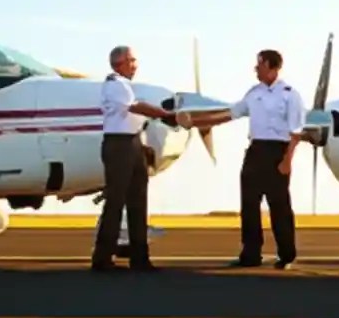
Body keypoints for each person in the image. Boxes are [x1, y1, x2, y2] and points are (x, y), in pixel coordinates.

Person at [182, 49, 305, 269]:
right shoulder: (253, 93)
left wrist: (288, 160)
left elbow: (296, 131)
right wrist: (196, 121)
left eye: (259, 64)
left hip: (278, 151)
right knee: (249, 204)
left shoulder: (290, 94)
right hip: (256, 151)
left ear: (271, 65)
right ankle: (250, 253)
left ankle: (286, 254)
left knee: (279, 206)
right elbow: (230, 114)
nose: (256, 69)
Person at [93, 44, 175, 273]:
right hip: (118, 145)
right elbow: (135, 107)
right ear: (119, 63)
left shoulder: (124, 86)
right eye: (132, 60)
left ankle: (140, 257)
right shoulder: (115, 85)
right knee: (116, 201)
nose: (135, 65)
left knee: (138, 200)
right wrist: (166, 114)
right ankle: (102, 258)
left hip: (133, 143)